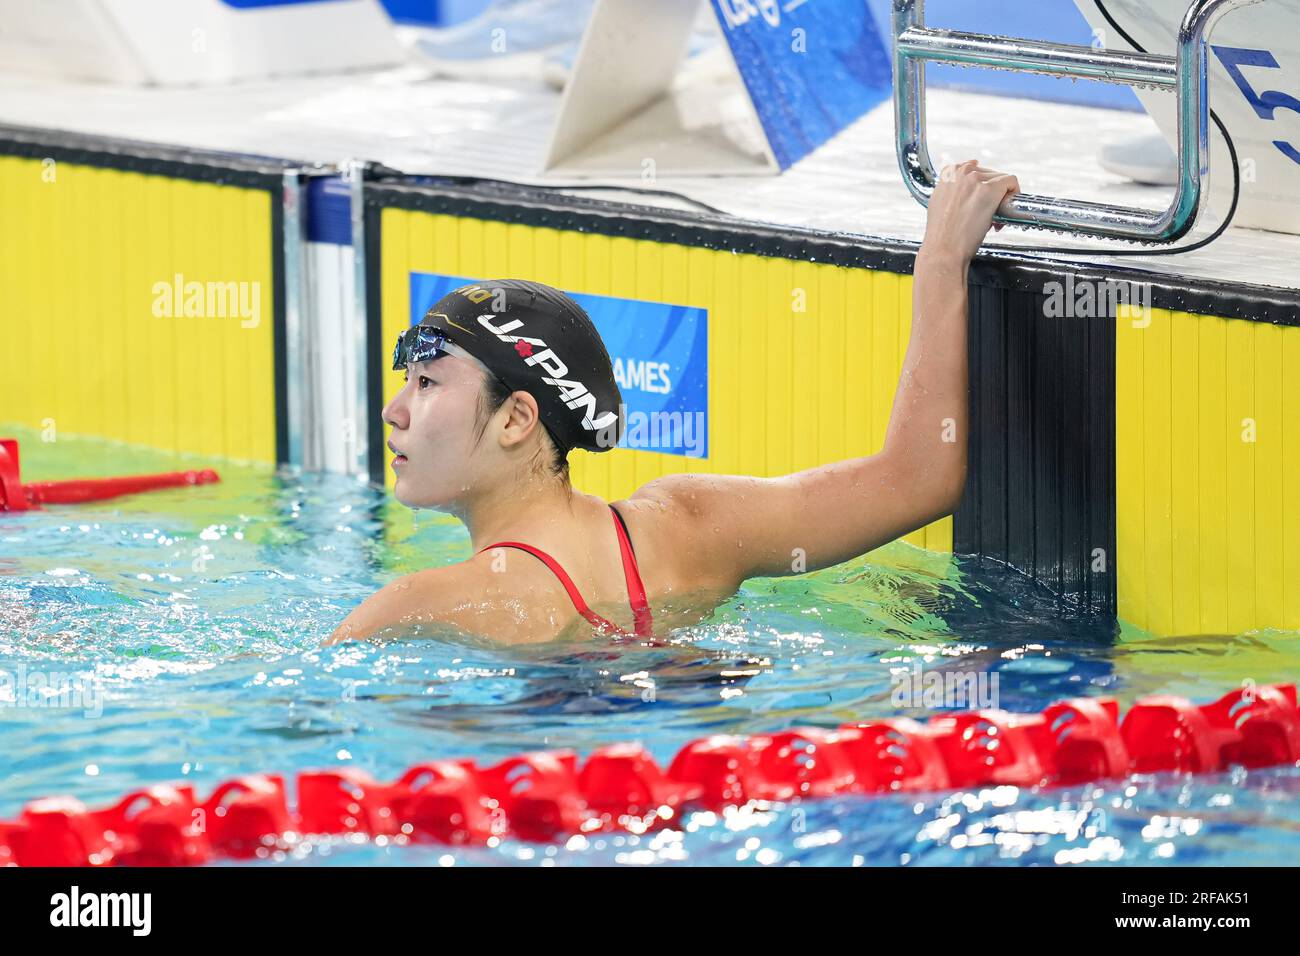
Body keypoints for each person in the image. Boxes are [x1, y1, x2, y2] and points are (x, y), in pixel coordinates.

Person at [326, 161, 1019, 646]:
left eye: (427, 382)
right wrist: (940, 261)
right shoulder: (695, 526)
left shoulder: (415, 606)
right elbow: (919, 478)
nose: (395, 409)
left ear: (516, 419)